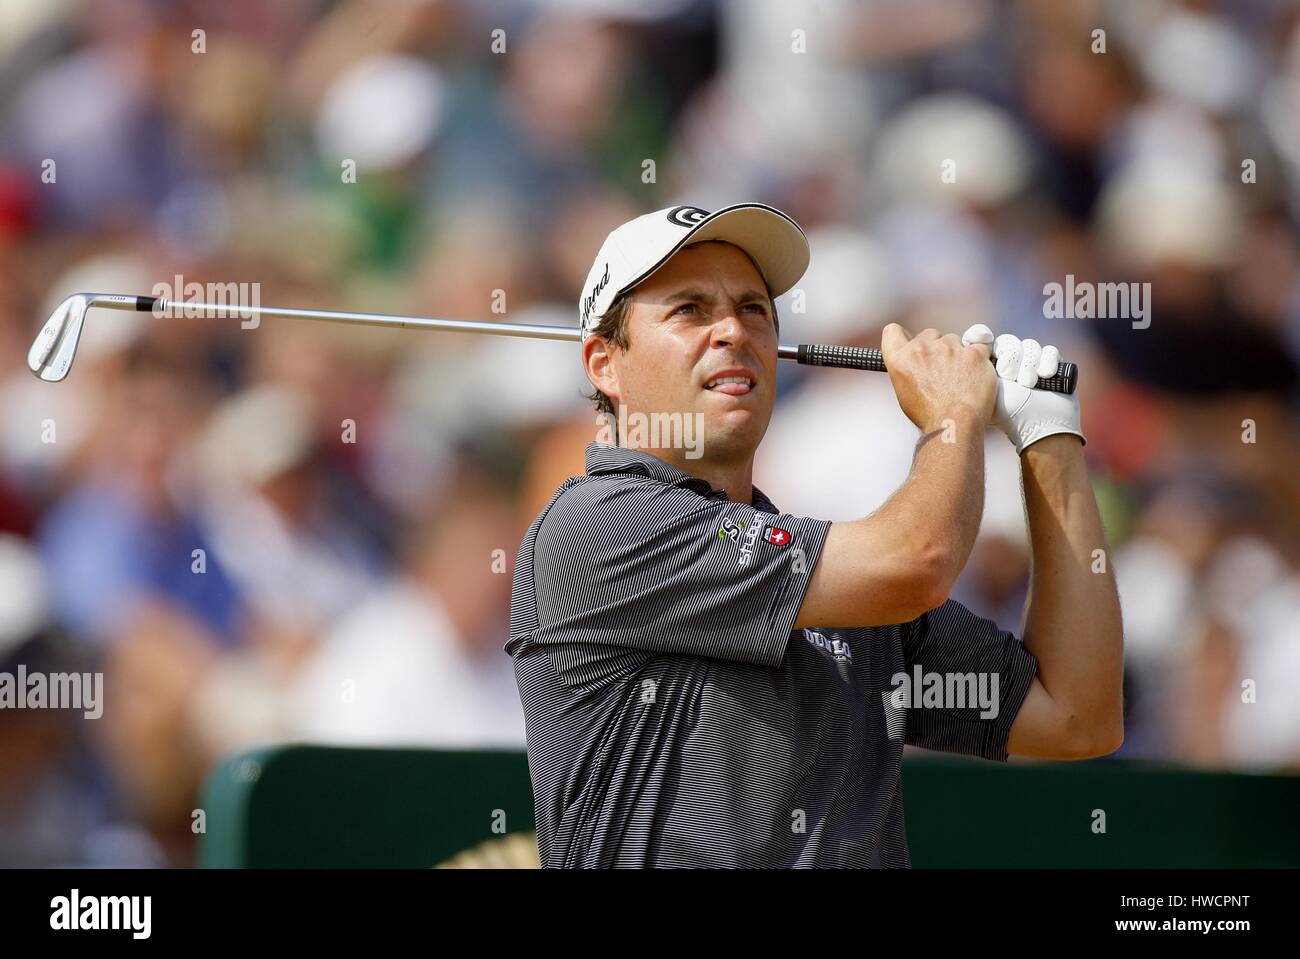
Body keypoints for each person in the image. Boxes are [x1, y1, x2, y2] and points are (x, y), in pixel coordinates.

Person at [505, 203, 1124, 868]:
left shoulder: (839, 584)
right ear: (604, 362)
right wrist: (951, 418)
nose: (732, 331)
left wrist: (1050, 438)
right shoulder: (595, 524)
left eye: (753, 310)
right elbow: (920, 561)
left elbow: (1076, 713)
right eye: (689, 309)